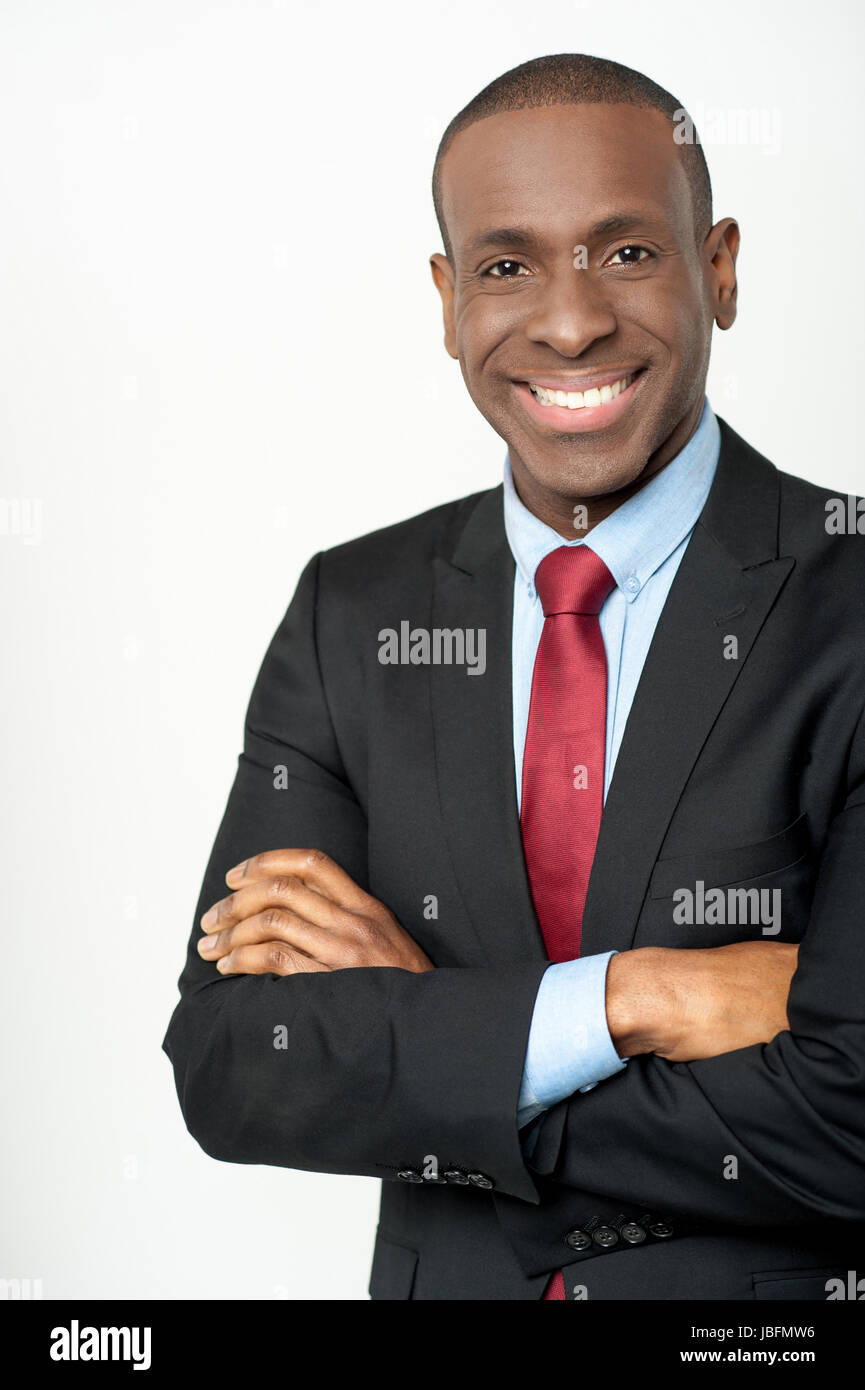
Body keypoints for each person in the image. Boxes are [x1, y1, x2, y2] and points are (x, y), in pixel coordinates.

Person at [163, 53, 865, 1300]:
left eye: (627, 252)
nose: (569, 319)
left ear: (719, 267)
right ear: (446, 302)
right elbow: (233, 1062)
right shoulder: (352, 610)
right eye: (505, 266)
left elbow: (852, 1122)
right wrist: (625, 999)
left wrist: (434, 1039)